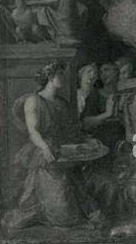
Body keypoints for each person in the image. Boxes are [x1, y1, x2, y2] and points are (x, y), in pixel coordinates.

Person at [7, 62, 101, 230]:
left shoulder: (62, 103)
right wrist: (44, 147)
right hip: (44, 156)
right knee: (62, 212)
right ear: (50, 77)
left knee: (84, 193)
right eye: (60, 75)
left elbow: (72, 132)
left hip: (64, 154)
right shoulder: (33, 100)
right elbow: (33, 131)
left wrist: (87, 141)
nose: (63, 78)